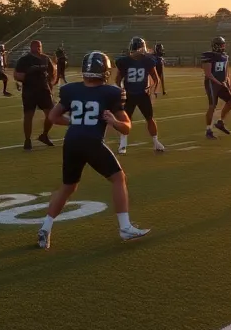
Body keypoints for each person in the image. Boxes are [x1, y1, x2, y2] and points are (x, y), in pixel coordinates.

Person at [38, 51, 150, 249]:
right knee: (118, 178)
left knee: (68, 186)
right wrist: (114, 122)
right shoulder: (110, 93)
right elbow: (127, 127)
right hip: (91, 141)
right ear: (105, 71)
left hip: (71, 141)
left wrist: (74, 121)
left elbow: (53, 117)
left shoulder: (71, 90)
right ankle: (125, 227)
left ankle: (45, 228)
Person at [114, 37, 165, 154]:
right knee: (126, 120)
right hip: (129, 94)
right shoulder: (125, 62)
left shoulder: (147, 61)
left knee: (150, 118)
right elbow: (118, 80)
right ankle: (123, 143)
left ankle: (156, 141)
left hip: (142, 93)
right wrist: (121, 90)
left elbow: (155, 79)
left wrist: (151, 90)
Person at [15, 40, 56, 151]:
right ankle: (27, 140)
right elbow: (18, 75)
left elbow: (53, 72)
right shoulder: (24, 60)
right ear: (31, 47)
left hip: (44, 90)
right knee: (28, 115)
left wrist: (50, 84)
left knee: (51, 114)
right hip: (29, 91)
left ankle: (44, 135)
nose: (38, 48)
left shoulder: (45, 58)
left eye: (39, 46)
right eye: (35, 46)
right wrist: (28, 73)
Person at [200, 36, 231, 139]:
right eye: (221, 45)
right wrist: (220, 83)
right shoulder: (209, 56)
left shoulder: (225, 57)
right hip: (212, 83)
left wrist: (229, 83)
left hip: (221, 83)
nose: (223, 47)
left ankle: (220, 122)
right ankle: (208, 130)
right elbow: (208, 74)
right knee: (212, 106)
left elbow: (226, 73)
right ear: (216, 46)